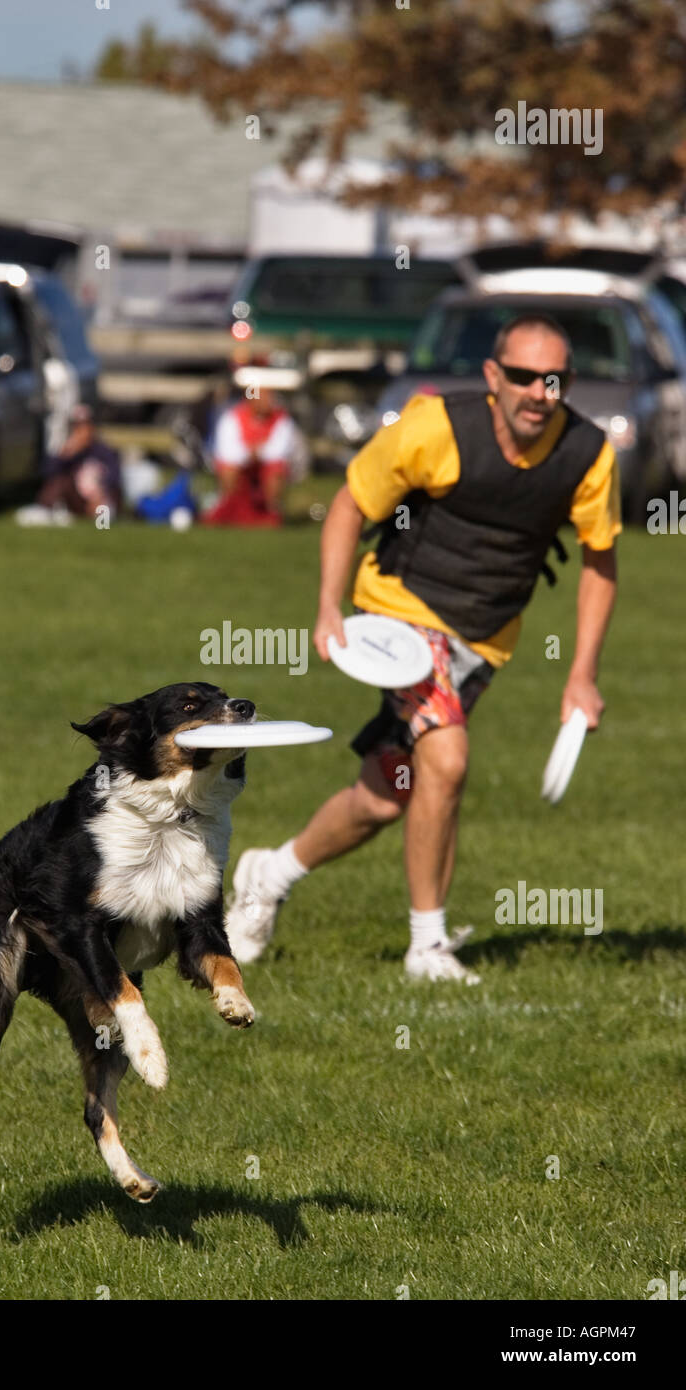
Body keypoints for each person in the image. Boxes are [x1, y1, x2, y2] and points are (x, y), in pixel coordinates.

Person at [225, 315, 621, 983]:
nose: (536, 391)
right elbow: (350, 503)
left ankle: (269, 873)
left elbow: (600, 562)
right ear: (494, 377)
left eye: (551, 379)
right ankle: (427, 947)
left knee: (386, 795)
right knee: (448, 754)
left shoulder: (588, 454)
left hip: (486, 641)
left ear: (568, 384)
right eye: (521, 376)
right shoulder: (436, 426)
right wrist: (327, 606)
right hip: (402, 616)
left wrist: (581, 675)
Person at [202, 374, 303, 527]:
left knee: (275, 471)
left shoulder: (281, 419)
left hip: (264, 468)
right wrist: (252, 453)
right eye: (263, 396)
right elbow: (229, 453)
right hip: (241, 468)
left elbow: (278, 451)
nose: (269, 401)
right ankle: (230, 510)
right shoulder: (232, 418)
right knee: (229, 469)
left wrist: (255, 452)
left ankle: (271, 514)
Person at [16, 404, 121, 525]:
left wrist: (99, 492)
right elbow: (47, 473)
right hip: (77, 499)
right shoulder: (69, 452)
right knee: (59, 482)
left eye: (84, 426)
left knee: (106, 505)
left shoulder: (104, 452)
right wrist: (66, 453)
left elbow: (114, 478)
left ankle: (104, 519)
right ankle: (45, 511)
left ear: (91, 427)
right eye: (76, 426)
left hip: (99, 498)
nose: (81, 431)